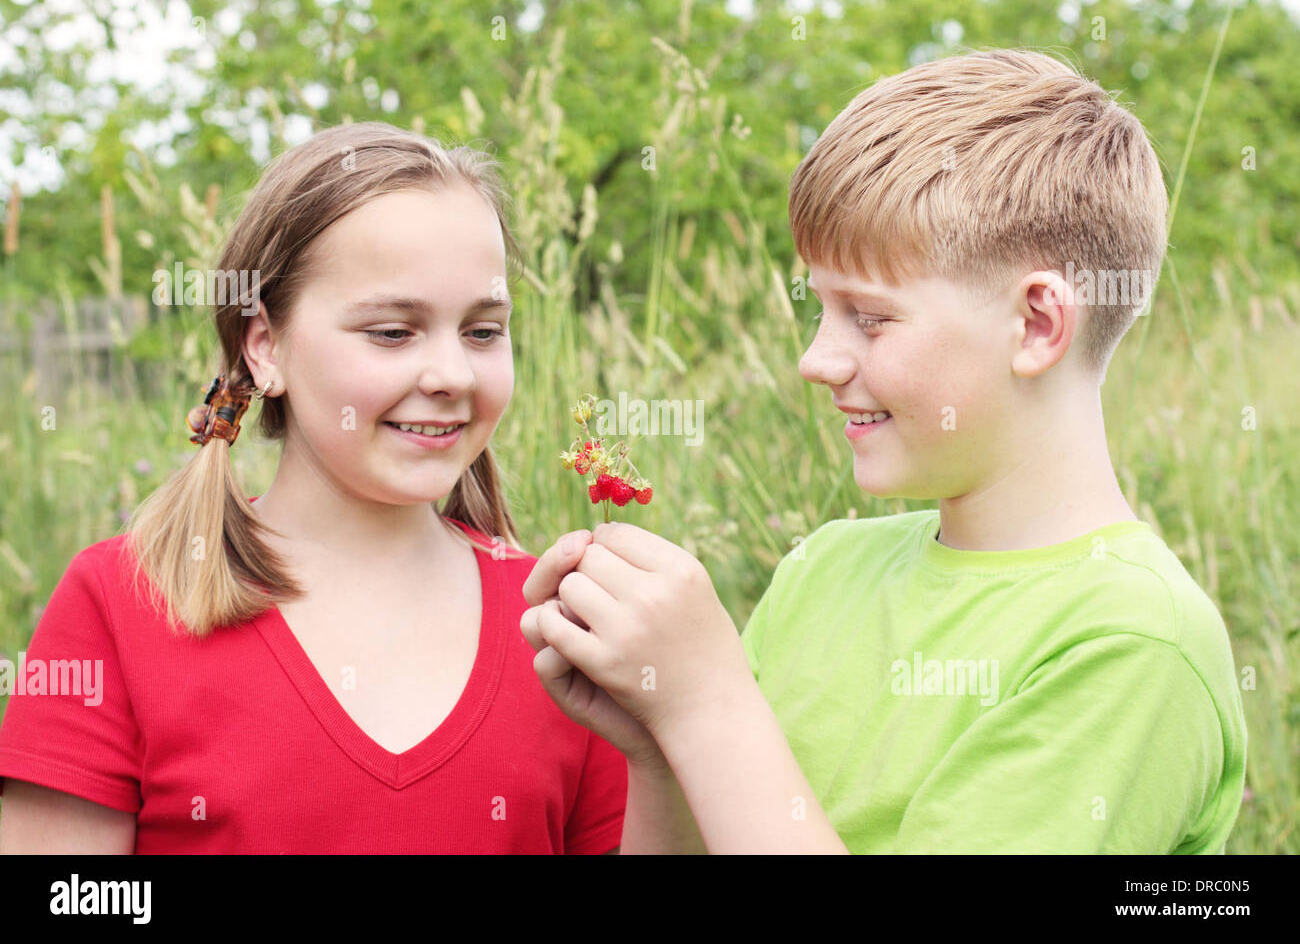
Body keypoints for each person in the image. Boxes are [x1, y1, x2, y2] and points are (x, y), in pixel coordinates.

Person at [520, 50, 1248, 854]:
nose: (815, 360)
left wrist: (707, 707)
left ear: (1038, 324)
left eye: (870, 317)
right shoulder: (823, 568)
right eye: (820, 307)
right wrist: (663, 748)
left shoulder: (1130, 643)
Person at [0, 122, 627, 854]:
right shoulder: (123, 600)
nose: (453, 375)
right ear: (264, 346)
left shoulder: (565, 628)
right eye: (394, 331)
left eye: (483, 332)